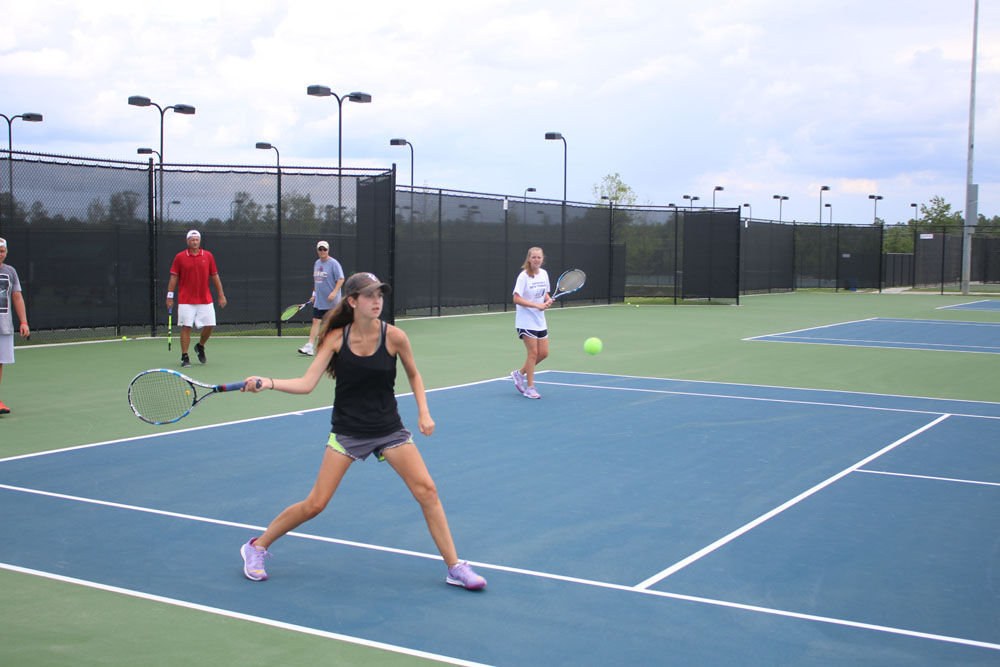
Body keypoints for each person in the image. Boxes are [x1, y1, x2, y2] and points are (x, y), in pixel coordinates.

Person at [238, 272, 487, 590]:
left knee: (427, 491)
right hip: (348, 432)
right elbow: (306, 384)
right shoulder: (336, 339)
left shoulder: (395, 337)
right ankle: (256, 547)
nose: (377, 301)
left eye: (380, 295)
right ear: (352, 301)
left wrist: (424, 412)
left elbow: (414, 374)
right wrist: (268, 382)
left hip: (389, 430)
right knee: (315, 504)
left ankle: (455, 567)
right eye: (369, 295)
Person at [166, 230, 227, 368]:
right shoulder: (180, 257)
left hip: (205, 299)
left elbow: (215, 275)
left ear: (199, 241)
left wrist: (221, 294)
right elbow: (173, 277)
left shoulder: (208, 256)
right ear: (187, 241)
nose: (194, 242)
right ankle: (185, 356)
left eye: (197, 240)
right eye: (192, 240)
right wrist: (170, 296)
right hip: (186, 300)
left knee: (210, 325)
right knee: (186, 327)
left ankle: (200, 346)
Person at [510, 247, 552, 399]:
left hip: (540, 320)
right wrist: (537, 305)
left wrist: (547, 300)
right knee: (533, 353)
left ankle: (519, 374)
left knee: (544, 353)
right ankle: (530, 388)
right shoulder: (523, 277)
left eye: (539, 257)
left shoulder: (544, 274)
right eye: (533, 257)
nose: (536, 260)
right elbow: (516, 298)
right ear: (528, 259)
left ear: (542, 259)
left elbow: (544, 293)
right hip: (525, 320)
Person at [298, 240, 344, 356]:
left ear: (328, 250)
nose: (322, 251)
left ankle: (339, 345)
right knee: (316, 321)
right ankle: (310, 346)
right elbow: (317, 281)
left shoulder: (334, 263)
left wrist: (334, 292)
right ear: (317, 250)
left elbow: (341, 279)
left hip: (332, 302)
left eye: (325, 249)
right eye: (320, 249)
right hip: (320, 300)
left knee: (333, 324)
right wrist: (314, 294)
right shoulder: (317, 263)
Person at [0, 237, 30, 415]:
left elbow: (17, 297)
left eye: (2, 251)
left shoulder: (10, 272)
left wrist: (24, 322)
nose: (0, 254)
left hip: (4, 327)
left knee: (0, 364)